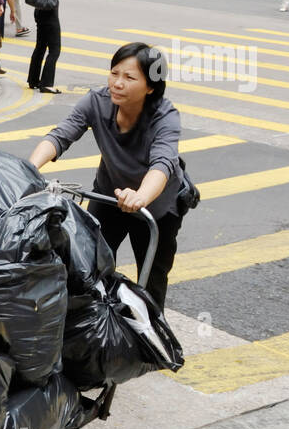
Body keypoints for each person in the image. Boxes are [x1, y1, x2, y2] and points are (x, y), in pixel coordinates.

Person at [28, 42, 184, 309]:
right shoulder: (96, 102)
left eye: (129, 77)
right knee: (86, 267)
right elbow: (60, 135)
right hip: (108, 196)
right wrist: (28, 169)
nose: (117, 83)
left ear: (150, 87)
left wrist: (140, 197)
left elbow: (162, 164)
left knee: (152, 282)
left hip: (154, 208)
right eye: (114, 73)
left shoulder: (165, 117)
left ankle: (151, 338)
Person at [25, 0, 64, 94]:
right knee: (55, 49)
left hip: (39, 10)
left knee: (40, 46)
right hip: (49, 12)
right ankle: (46, 83)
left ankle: (33, 80)